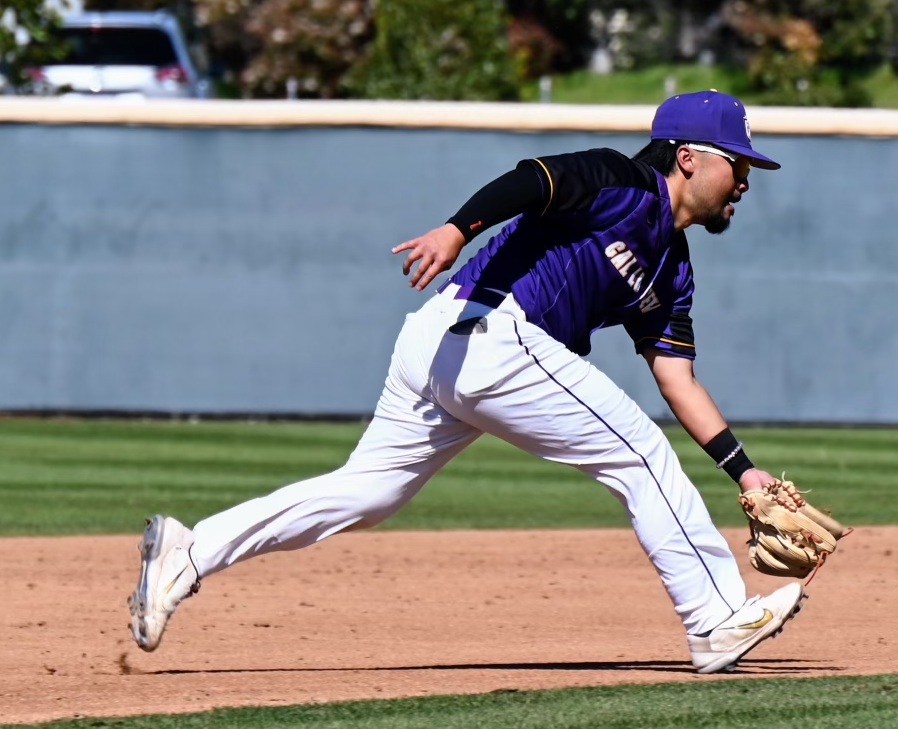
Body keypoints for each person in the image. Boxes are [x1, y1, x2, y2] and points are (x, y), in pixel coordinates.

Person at [129, 89, 805, 674]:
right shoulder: (618, 180)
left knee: (368, 492)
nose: (745, 179)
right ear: (687, 155)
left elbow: (675, 377)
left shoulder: (672, 270)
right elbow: (528, 180)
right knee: (639, 453)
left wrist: (745, 474)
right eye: (737, 163)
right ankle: (713, 615)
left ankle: (191, 551)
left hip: (457, 347)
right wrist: (457, 228)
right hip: (485, 331)